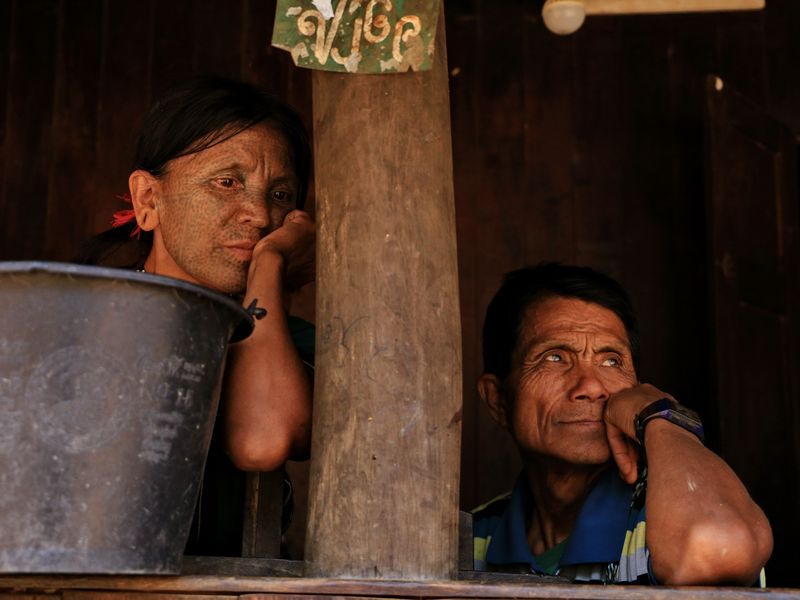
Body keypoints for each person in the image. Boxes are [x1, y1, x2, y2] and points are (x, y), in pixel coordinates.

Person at [76, 76, 314, 554]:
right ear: (148, 199)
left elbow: (261, 441)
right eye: (227, 183)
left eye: (281, 195)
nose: (260, 216)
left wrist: (269, 266)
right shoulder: (79, 320)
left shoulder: (297, 345)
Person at [472, 263, 772, 585]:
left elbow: (723, 548)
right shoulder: (472, 537)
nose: (591, 386)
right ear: (498, 400)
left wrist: (658, 416)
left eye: (611, 360)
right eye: (555, 357)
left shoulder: (666, 520)